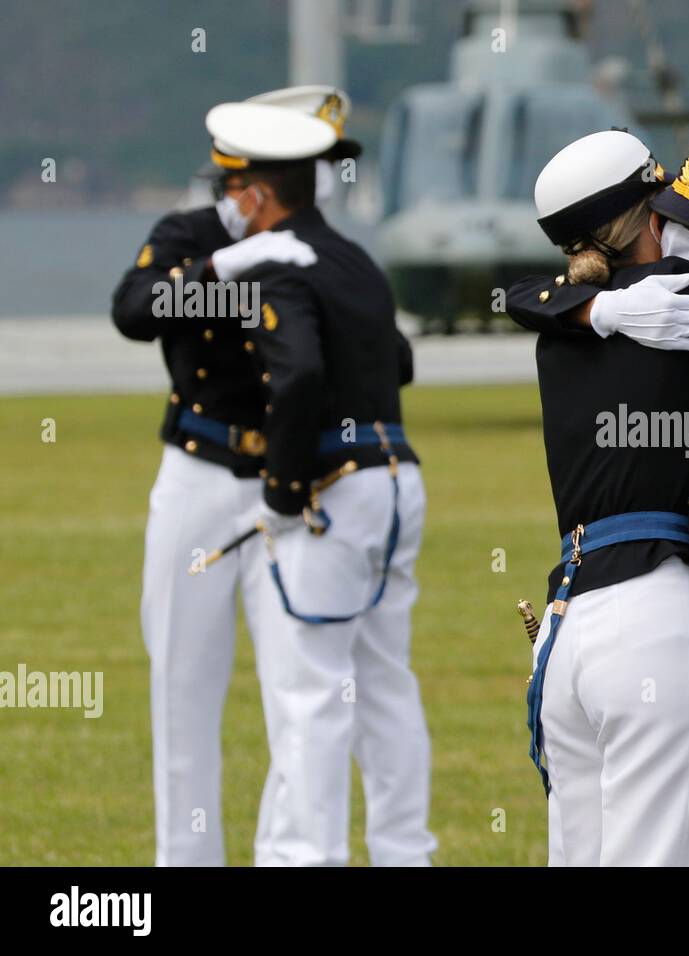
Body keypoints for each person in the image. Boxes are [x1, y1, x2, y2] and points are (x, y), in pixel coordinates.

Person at [510, 139, 689, 860]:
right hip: (657, 613)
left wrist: (597, 308)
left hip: (567, 615)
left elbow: (525, 294)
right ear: (650, 215)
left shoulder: (573, 322)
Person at [202, 101, 436, 866]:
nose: (226, 203)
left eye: (231, 188)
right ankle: (404, 852)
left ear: (260, 196)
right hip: (395, 474)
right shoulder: (353, 261)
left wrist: (279, 484)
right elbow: (398, 362)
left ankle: (309, 858)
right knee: (384, 685)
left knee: (308, 692)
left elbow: (296, 373)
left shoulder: (278, 265)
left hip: (333, 490)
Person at [109, 97, 332, 866]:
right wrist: (217, 274)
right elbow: (135, 309)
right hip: (200, 477)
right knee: (182, 684)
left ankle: (291, 854)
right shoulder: (191, 235)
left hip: (287, 480)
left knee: (299, 690)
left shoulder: (310, 246)